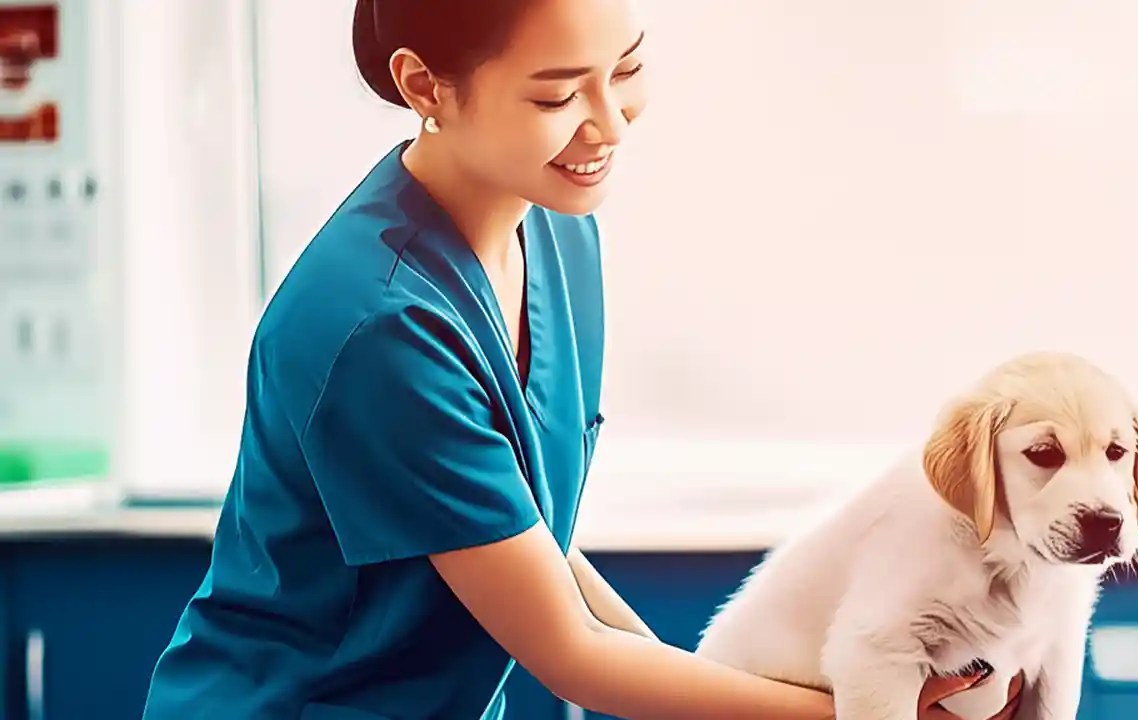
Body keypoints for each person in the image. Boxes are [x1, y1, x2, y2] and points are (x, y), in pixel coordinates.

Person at [141, 1, 1025, 718]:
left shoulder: (556, 230)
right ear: (424, 85)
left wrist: (730, 687)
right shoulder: (380, 327)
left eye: (627, 70)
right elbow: (569, 652)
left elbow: (528, 544)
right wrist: (857, 710)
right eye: (557, 96)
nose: (609, 124)